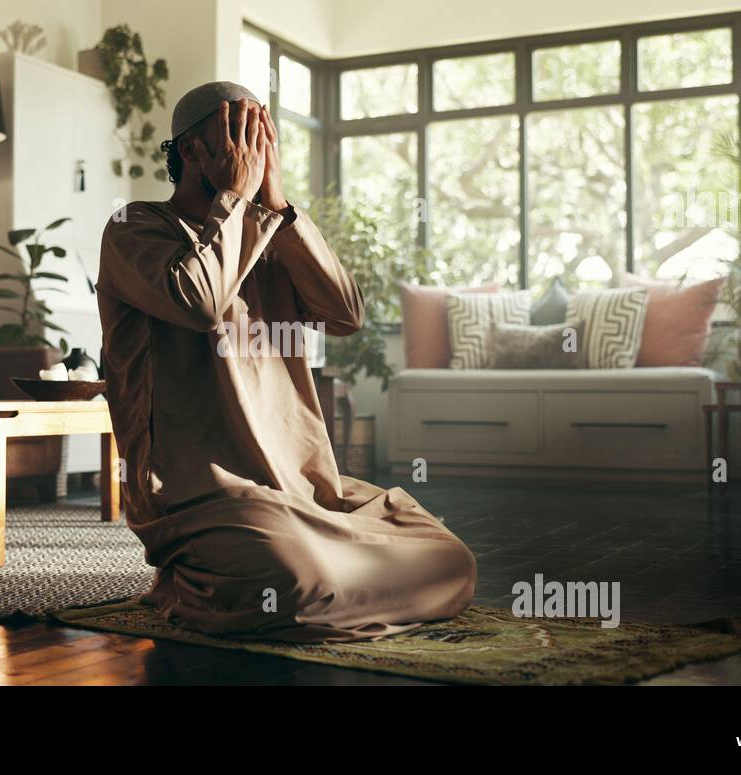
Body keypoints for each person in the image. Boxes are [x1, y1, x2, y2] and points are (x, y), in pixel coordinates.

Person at [96, 81, 475, 642]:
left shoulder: (271, 232)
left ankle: (247, 577)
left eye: (262, 136)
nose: (253, 149)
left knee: (453, 562)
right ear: (192, 151)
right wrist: (235, 199)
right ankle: (207, 573)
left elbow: (346, 312)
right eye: (237, 133)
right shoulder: (135, 227)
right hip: (208, 492)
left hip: (305, 490)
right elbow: (199, 301)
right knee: (295, 583)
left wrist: (278, 208)